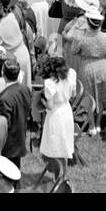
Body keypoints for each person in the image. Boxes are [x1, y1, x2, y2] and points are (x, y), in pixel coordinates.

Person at [0, 57, 33, 186]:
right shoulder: (25, 90)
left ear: (3, 73)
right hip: (20, 136)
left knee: (6, 178)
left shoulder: (5, 98)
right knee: (15, 173)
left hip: (8, 143)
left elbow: (3, 125)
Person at [38, 55, 77, 191]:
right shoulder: (72, 74)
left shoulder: (50, 82)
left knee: (56, 147)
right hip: (67, 111)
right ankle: (63, 176)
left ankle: (58, 178)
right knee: (64, 146)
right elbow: (74, 94)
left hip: (55, 114)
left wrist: (41, 99)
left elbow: (49, 106)